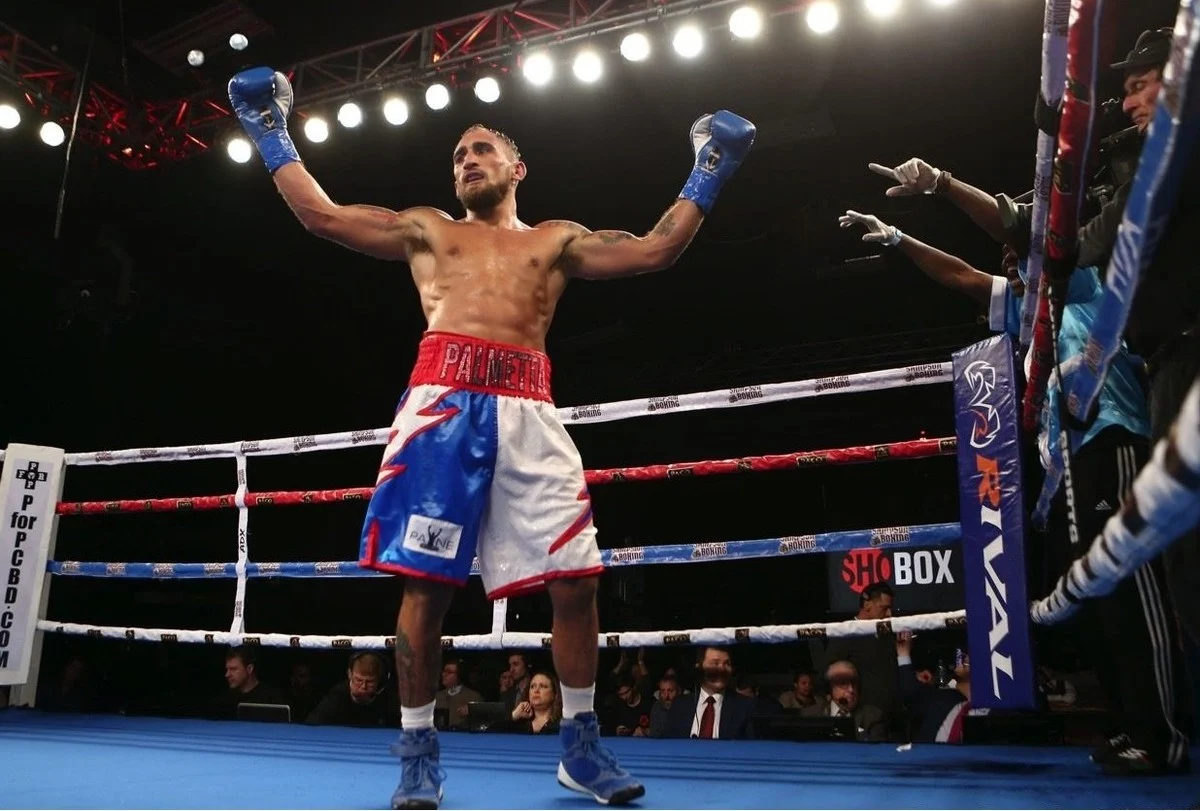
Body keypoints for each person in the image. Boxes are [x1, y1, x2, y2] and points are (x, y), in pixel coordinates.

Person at [227, 65, 755, 809]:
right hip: (443, 407)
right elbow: (324, 215)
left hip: (530, 408)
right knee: (427, 587)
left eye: (480, 149)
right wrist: (267, 127)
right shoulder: (427, 230)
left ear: (517, 167)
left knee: (577, 579)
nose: (466, 160)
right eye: (457, 157)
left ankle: (579, 746)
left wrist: (711, 167)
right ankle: (416, 753)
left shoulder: (556, 239)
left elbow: (653, 250)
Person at [836, 207, 1190, 774]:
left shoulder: (1084, 281)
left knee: (1127, 586)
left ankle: (1163, 734)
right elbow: (960, 277)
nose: (1009, 261)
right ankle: (1131, 723)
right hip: (1064, 470)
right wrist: (902, 238)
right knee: (1089, 599)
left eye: (1019, 252)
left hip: (1109, 440)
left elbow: (1028, 235)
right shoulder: (1032, 315)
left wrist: (942, 189)